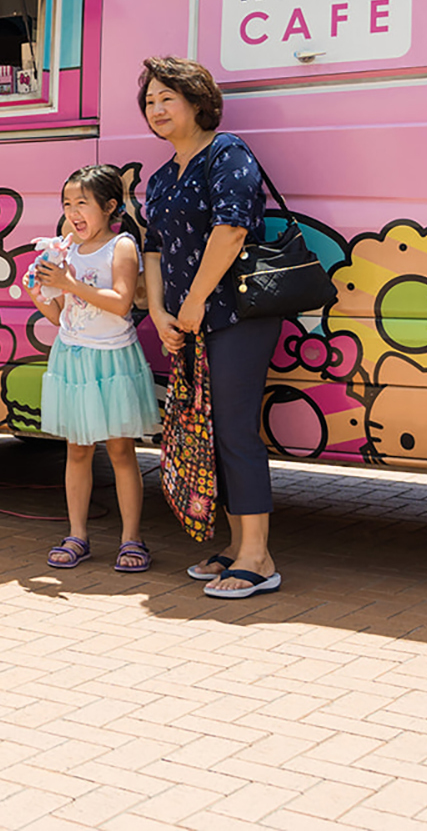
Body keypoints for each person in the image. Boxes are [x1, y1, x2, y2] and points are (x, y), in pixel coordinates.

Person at [135, 56, 279, 599]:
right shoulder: (163, 175)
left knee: (236, 429)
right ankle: (238, 544)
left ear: (198, 101)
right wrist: (159, 311)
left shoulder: (227, 152)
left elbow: (231, 230)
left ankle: (259, 557)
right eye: (150, 101)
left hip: (235, 315)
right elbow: (153, 247)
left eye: (167, 98)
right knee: (210, 432)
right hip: (189, 321)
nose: (156, 109)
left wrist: (192, 303)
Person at [28, 164, 162, 574]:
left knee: (121, 450)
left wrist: (70, 284)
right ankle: (77, 534)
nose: (73, 213)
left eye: (82, 203)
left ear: (109, 207)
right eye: (67, 204)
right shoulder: (67, 250)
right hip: (72, 356)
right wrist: (38, 290)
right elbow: (58, 316)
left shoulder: (120, 246)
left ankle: (131, 538)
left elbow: (122, 302)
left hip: (112, 358)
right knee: (77, 449)